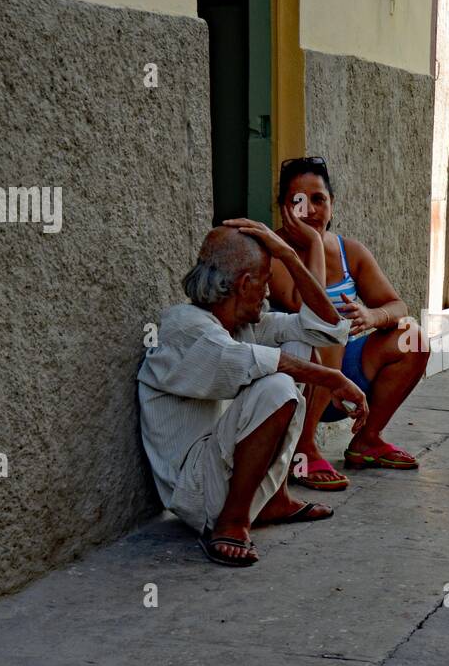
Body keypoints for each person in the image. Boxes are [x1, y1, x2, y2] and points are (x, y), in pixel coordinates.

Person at [137, 215, 369, 567]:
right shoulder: (183, 327)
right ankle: (232, 521)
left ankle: (274, 497)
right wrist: (333, 379)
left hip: (222, 469)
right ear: (245, 284)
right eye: (264, 282)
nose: (268, 293)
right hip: (198, 493)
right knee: (277, 383)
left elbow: (327, 329)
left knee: (300, 346)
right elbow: (257, 362)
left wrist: (291, 256)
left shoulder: (241, 324)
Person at [270, 156, 430, 491]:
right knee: (327, 329)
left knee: (412, 338)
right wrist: (313, 243)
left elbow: (397, 305)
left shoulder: (349, 251)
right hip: (299, 378)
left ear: (332, 203)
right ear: (283, 208)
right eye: (297, 201)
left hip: (347, 378)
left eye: (318, 199)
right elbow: (308, 310)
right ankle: (304, 448)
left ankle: (367, 440)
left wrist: (374, 316)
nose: (310, 210)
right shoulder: (275, 252)